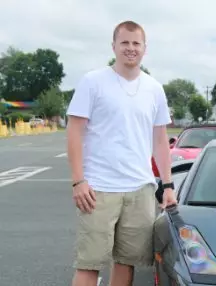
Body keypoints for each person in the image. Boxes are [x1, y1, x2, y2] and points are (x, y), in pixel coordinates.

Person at [66, 20, 177, 286]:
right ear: (114, 46)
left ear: (144, 49)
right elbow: (74, 132)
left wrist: (169, 185)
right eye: (124, 42)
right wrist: (78, 181)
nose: (130, 48)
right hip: (98, 189)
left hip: (140, 189)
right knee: (89, 265)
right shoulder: (93, 81)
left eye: (136, 43)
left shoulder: (154, 88)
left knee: (127, 263)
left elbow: (160, 141)